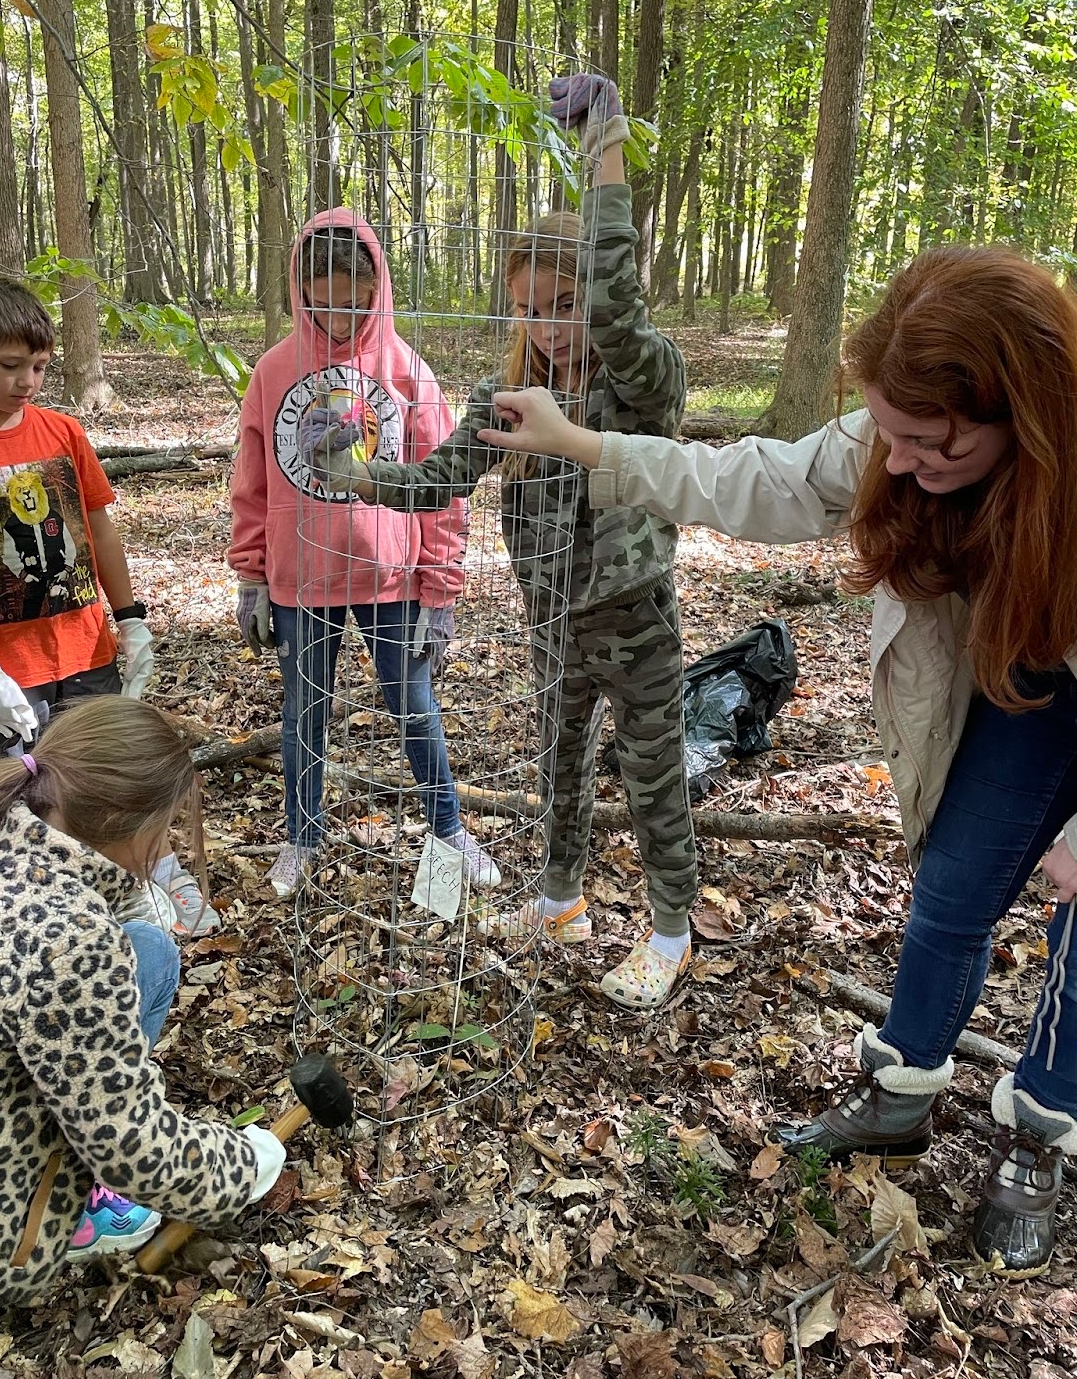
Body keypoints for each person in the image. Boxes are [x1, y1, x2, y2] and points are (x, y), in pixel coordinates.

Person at [478, 243, 1077, 1275]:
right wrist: (582, 442)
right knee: (952, 892)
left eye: (928, 443)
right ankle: (901, 1093)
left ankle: (1043, 1130)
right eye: (886, 434)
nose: (896, 463)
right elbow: (753, 478)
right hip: (1018, 673)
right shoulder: (900, 438)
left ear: (1014, 415)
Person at [305, 74, 695, 1009]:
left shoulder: (641, 384)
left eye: (562, 304)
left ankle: (671, 931)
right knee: (560, 768)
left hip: (634, 623)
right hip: (553, 628)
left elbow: (616, 309)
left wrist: (605, 148)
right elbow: (438, 477)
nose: (548, 327)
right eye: (529, 307)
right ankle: (560, 899)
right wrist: (357, 476)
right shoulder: (510, 399)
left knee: (652, 780)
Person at [0, 696, 287, 1306]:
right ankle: (81, 1216)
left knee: (148, 950)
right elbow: (133, 1147)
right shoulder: (70, 939)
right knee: (139, 971)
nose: (167, 843)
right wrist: (241, 1165)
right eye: (167, 823)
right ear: (126, 817)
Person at [229, 210, 500, 898]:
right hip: (299, 583)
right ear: (301, 290)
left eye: (355, 297)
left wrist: (438, 593)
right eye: (324, 296)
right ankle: (302, 835)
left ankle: (448, 830)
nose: (341, 312)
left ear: (376, 289)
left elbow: (446, 486)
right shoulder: (273, 371)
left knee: (413, 704)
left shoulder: (407, 370)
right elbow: (253, 483)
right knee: (303, 714)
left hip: (392, 579)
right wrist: (252, 578)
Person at [0, 275, 209, 935]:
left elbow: (101, 530)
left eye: (38, 365)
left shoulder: (63, 431)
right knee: (15, 795)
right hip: (6, 668)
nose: (27, 379)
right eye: (9, 366)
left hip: (85, 648)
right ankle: (31, 918)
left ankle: (142, 884)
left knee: (110, 777)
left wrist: (133, 619)